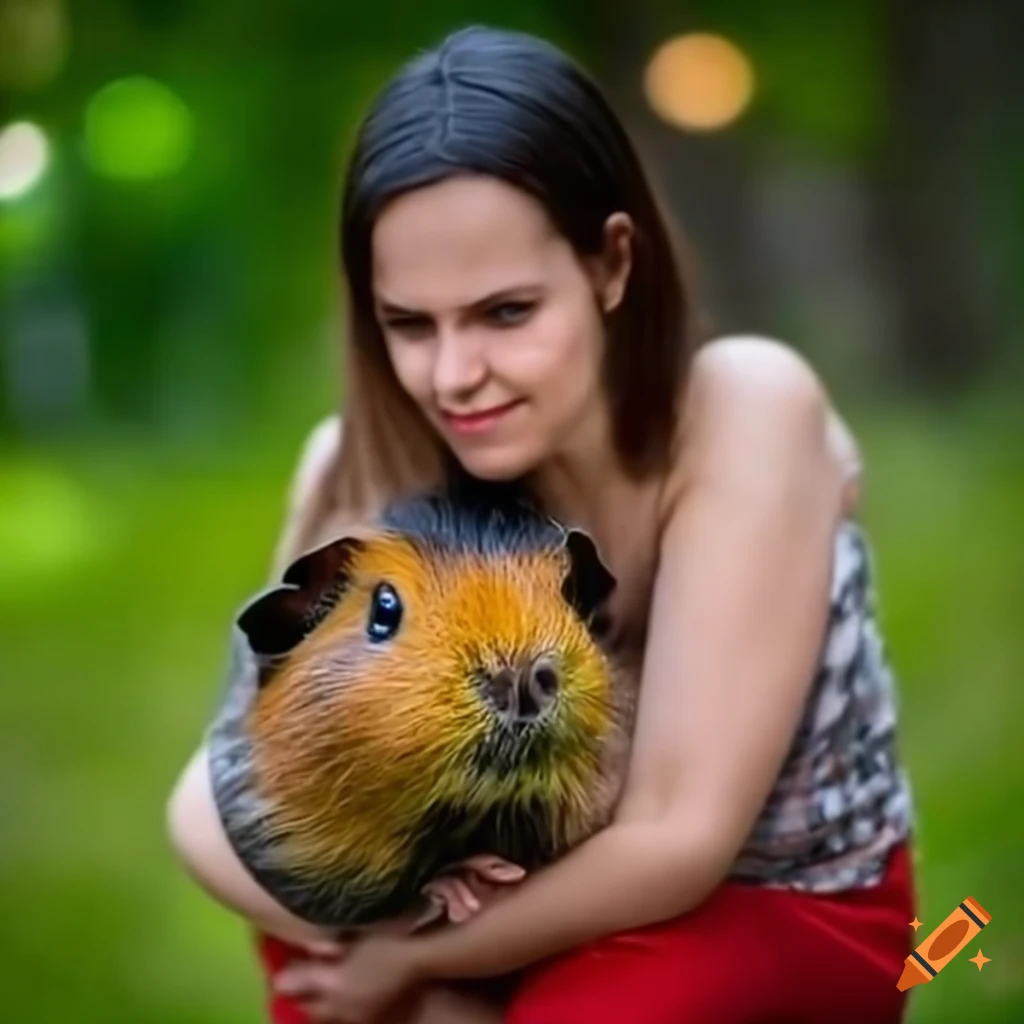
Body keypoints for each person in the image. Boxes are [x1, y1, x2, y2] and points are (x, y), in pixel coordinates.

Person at [166, 23, 917, 1024]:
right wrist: (397, 925)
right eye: (409, 324)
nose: (453, 374)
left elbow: (677, 842)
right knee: (304, 938)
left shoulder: (745, 403)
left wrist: (410, 964)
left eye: (505, 312)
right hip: (470, 899)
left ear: (610, 264)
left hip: (781, 907)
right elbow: (219, 792)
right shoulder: (359, 458)